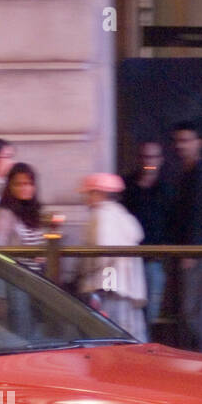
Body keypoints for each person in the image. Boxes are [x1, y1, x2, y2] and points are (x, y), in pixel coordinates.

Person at [169, 120, 202, 355]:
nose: (181, 146)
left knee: (195, 309)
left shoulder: (200, 174)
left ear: (198, 143)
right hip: (194, 252)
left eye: (186, 140)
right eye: (179, 141)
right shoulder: (191, 173)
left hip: (196, 254)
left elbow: (201, 215)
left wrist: (190, 252)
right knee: (197, 308)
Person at [77, 173, 148, 341]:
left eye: (89, 193)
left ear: (99, 194)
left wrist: (100, 285)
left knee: (108, 333)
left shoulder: (102, 215)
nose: (86, 198)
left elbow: (104, 254)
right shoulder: (122, 215)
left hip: (110, 288)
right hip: (125, 288)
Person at [122, 141, 175, 328]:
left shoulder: (166, 189)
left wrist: (165, 248)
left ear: (160, 160)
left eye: (153, 157)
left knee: (151, 311)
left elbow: (172, 222)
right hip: (131, 259)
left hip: (154, 260)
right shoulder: (128, 186)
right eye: (145, 157)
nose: (149, 161)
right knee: (130, 311)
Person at [0, 163, 47, 273]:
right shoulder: (5, 214)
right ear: (10, 187)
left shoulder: (35, 211)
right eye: (19, 184)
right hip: (17, 276)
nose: (25, 188)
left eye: (28, 184)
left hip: (37, 275)